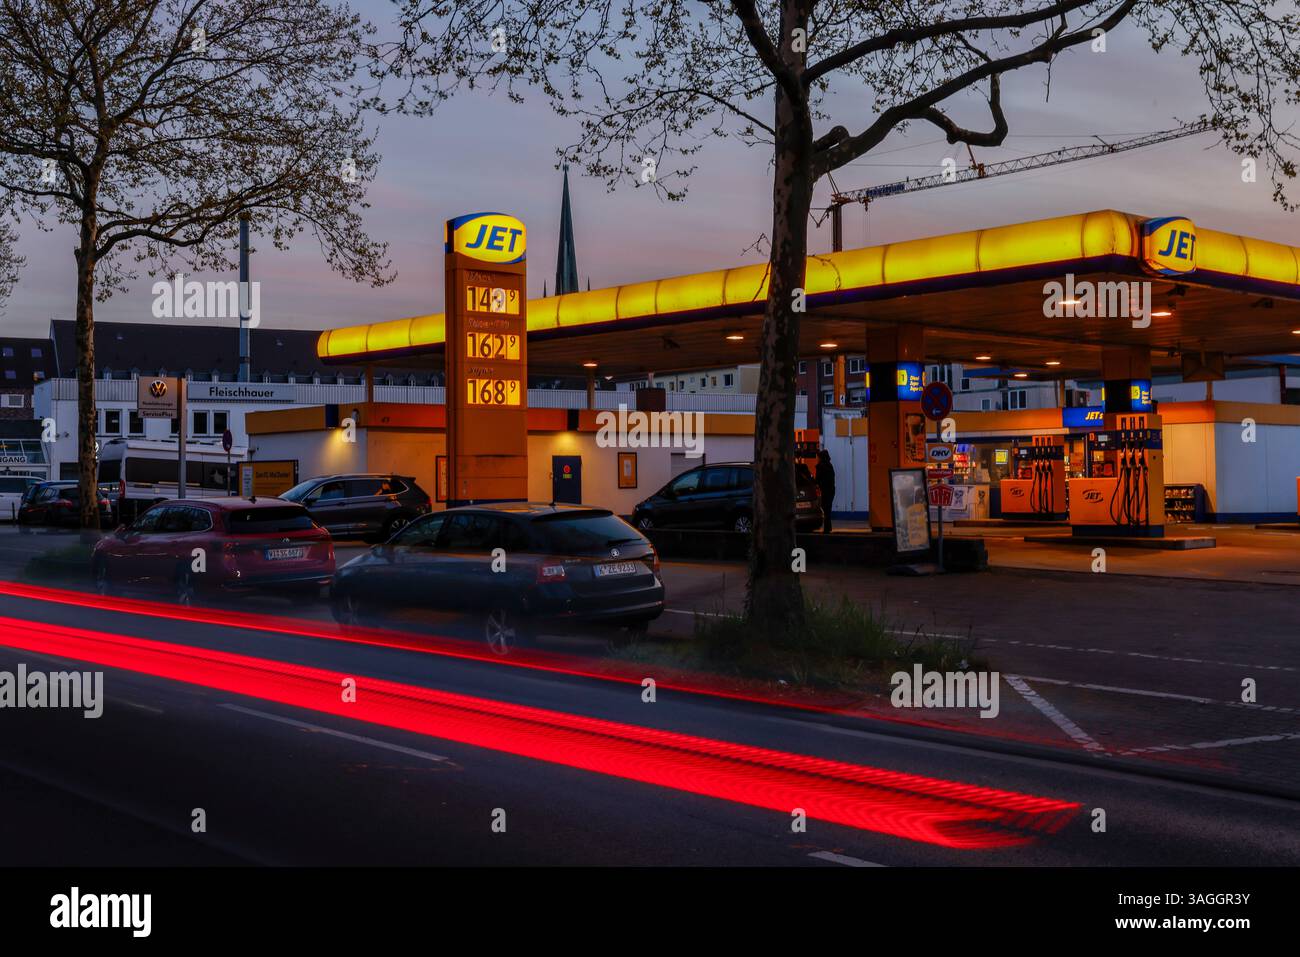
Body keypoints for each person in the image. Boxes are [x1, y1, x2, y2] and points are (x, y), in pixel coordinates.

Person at [816, 449, 836, 533]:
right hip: (831, 490)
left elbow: (817, 479)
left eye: (819, 457)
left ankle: (827, 529)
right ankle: (828, 527)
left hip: (825, 490)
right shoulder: (829, 465)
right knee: (828, 509)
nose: (818, 459)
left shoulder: (821, 466)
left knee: (825, 508)